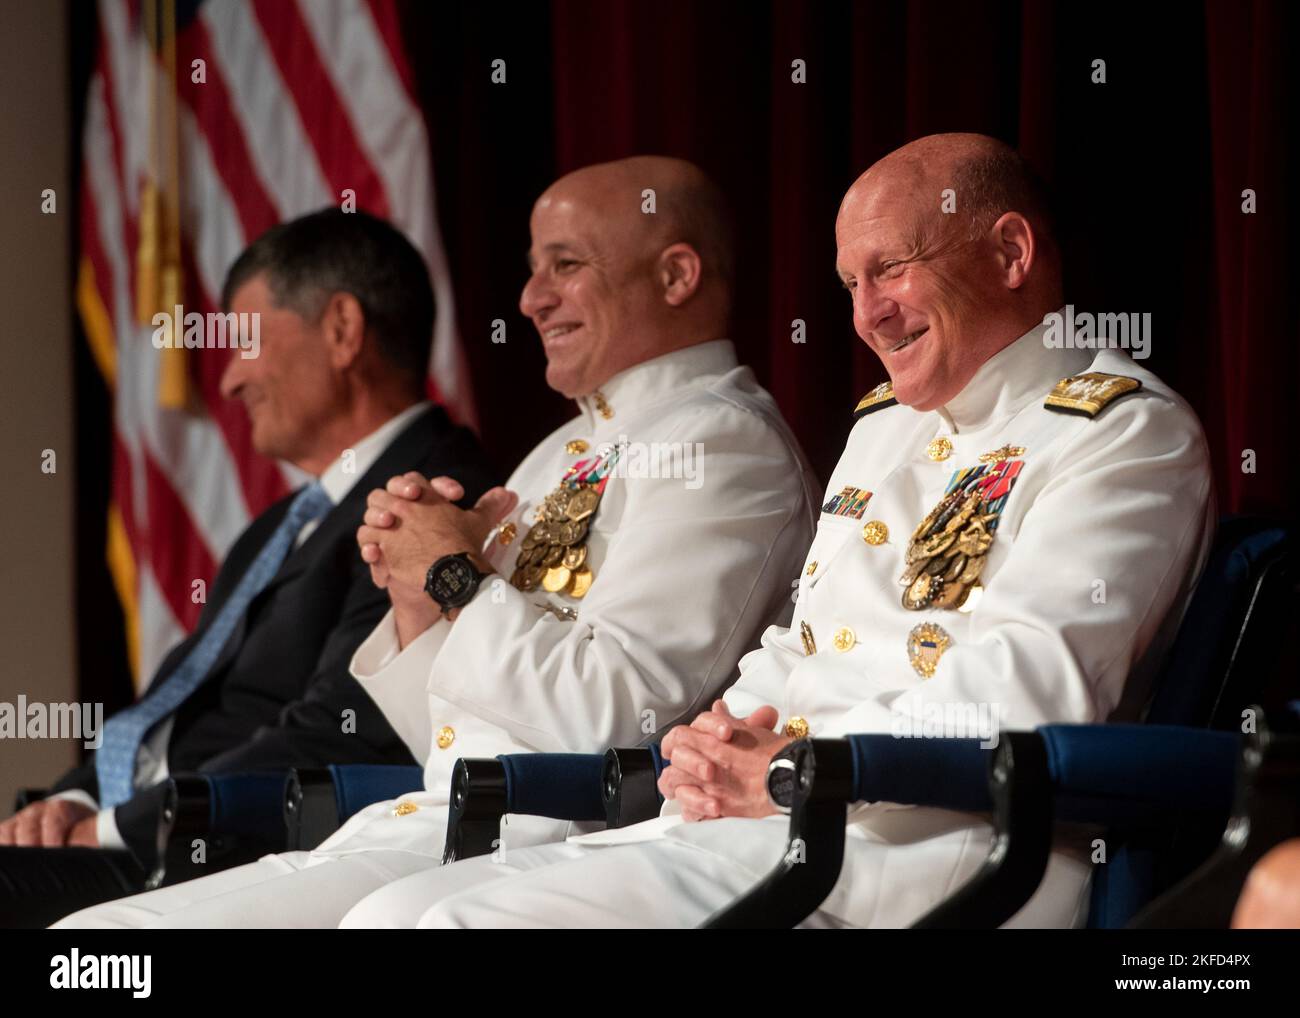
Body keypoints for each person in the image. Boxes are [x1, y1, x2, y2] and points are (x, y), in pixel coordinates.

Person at [329, 132, 1217, 929]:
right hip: (775, 824)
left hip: (931, 849)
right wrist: (711, 745)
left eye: (893, 269)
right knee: (398, 912)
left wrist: (798, 765)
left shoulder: (1124, 431)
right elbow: (800, 644)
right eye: (850, 284)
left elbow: (1033, 684)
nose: (868, 314)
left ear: (1010, 252)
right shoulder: (884, 429)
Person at [56, 155, 822, 928]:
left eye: (566, 265)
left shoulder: (723, 445)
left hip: (537, 838)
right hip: (424, 823)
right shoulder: (559, 453)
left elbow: (618, 722)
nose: (531, 299)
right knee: (89, 942)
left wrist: (456, 575)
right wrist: (418, 600)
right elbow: (452, 733)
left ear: (677, 275)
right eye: (531, 270)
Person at [1, 208, 498, 928]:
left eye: (243, 341)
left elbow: (341, 730)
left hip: (219, 853)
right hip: (135, 832)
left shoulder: (431, 498)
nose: (228, 379)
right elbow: (184, 698)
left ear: (342, 330)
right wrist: (77, 798)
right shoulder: (281, 525)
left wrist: (115, 826)